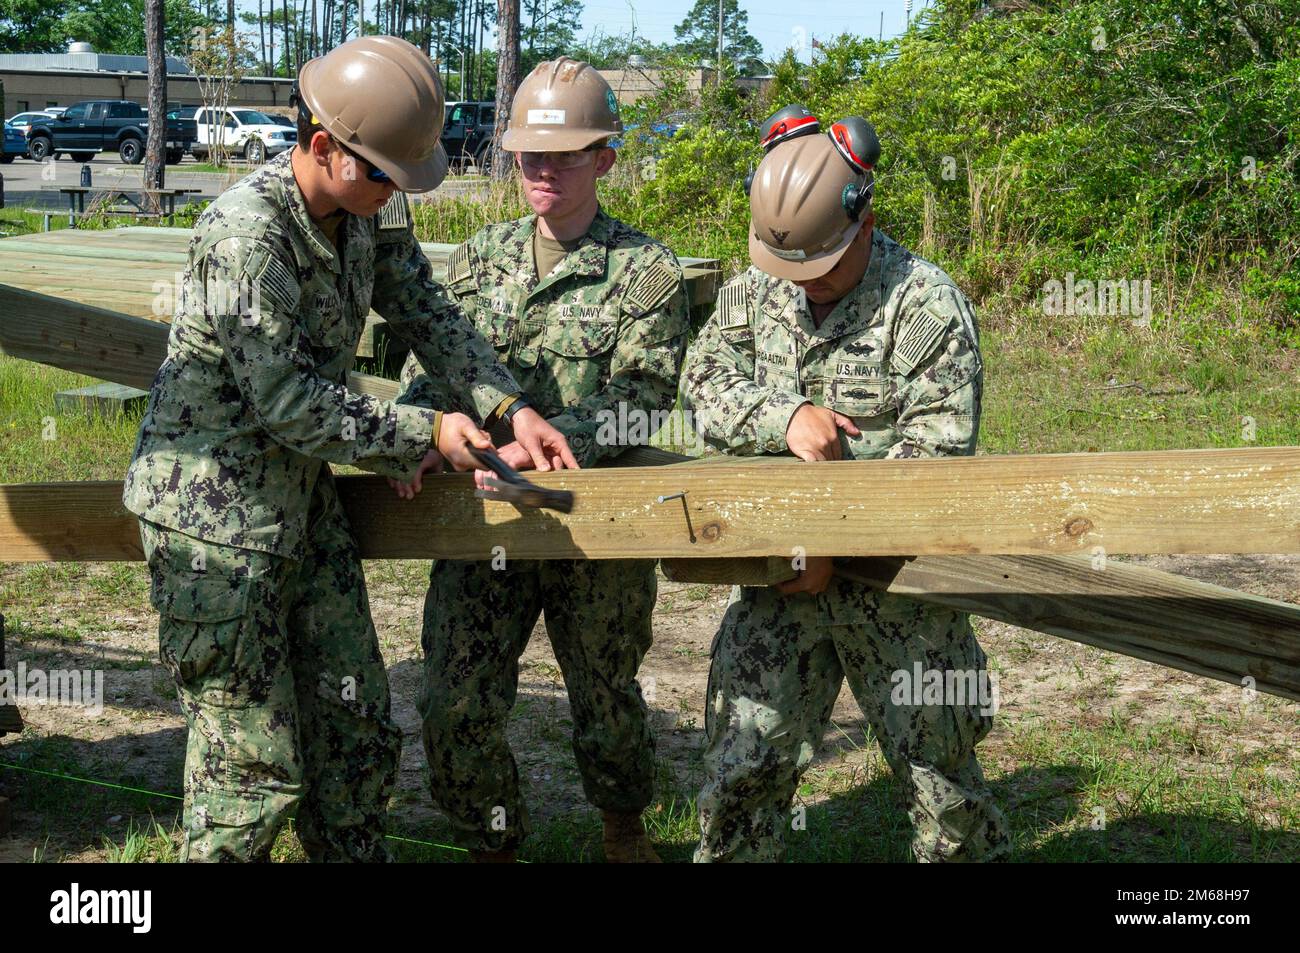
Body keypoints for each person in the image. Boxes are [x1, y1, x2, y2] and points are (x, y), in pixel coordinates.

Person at [123, 34, 575, 862]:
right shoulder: (244, 240)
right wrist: (423, 433)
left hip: (299, 505)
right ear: (323, 145)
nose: (396, 191)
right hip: (213, 526)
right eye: (384, 174)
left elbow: (424, 310)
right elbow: (288, 402)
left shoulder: (368, 199)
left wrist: (508, 406)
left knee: (355, 725)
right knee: (249, 764)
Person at [681, 106, 1009, 862]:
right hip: (779, 586)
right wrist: (782, 413)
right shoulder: (755, 288)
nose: (799, 285)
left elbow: (936, 460)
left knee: (943, 787)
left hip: (897, 590)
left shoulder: (925, 306)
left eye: (818, 267)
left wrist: (831, 544)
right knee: (739, 773)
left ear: (864, 222)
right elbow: (701, 380)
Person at [395, 56, 689, 863]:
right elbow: (433, 366)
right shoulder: (481, 256)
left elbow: (645, 389)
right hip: (483, 516)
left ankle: (623, 828)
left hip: (589, 522)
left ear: (605, 158)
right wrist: (430, 429)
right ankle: (491, 837)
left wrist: (558, 441)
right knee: (454, 699)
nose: (543, 169)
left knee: (606, 696)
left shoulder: (647, 272)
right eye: (529, 153)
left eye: (563, 154)